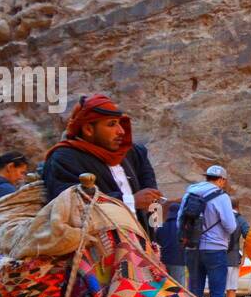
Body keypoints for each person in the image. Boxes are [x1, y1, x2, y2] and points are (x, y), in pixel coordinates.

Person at [42, 94, 162, 225]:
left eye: (119, 123)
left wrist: (156, 236)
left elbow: (154, 202)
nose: (121, 131)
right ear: (88, 129)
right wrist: (130, 201)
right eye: (112, 124)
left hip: (143, 242)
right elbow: (70, 207)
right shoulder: (63, 158)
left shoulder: (133, 152)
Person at [179, 165, 237, 297]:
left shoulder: (189, 193)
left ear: (207, 177)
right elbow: (230, 226)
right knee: (216, 295)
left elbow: (180, 221)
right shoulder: (222, 197)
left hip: (192, 248)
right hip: (215, 250)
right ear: (222, 180)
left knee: (194, 294)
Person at [224, 197, 251, 297]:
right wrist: (244, 255)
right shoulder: (240, 220)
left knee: (218, 290)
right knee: (231, 289)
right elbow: (249, 237)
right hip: (233, 258)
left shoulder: (221, 217)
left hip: (218, 257)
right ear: (238, 206)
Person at [152, 199, 187, 286]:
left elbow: (157, 241)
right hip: (178, 260)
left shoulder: (161, 226)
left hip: (164, 260)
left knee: (166, 286)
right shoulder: (181, 226)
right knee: (178, 287)